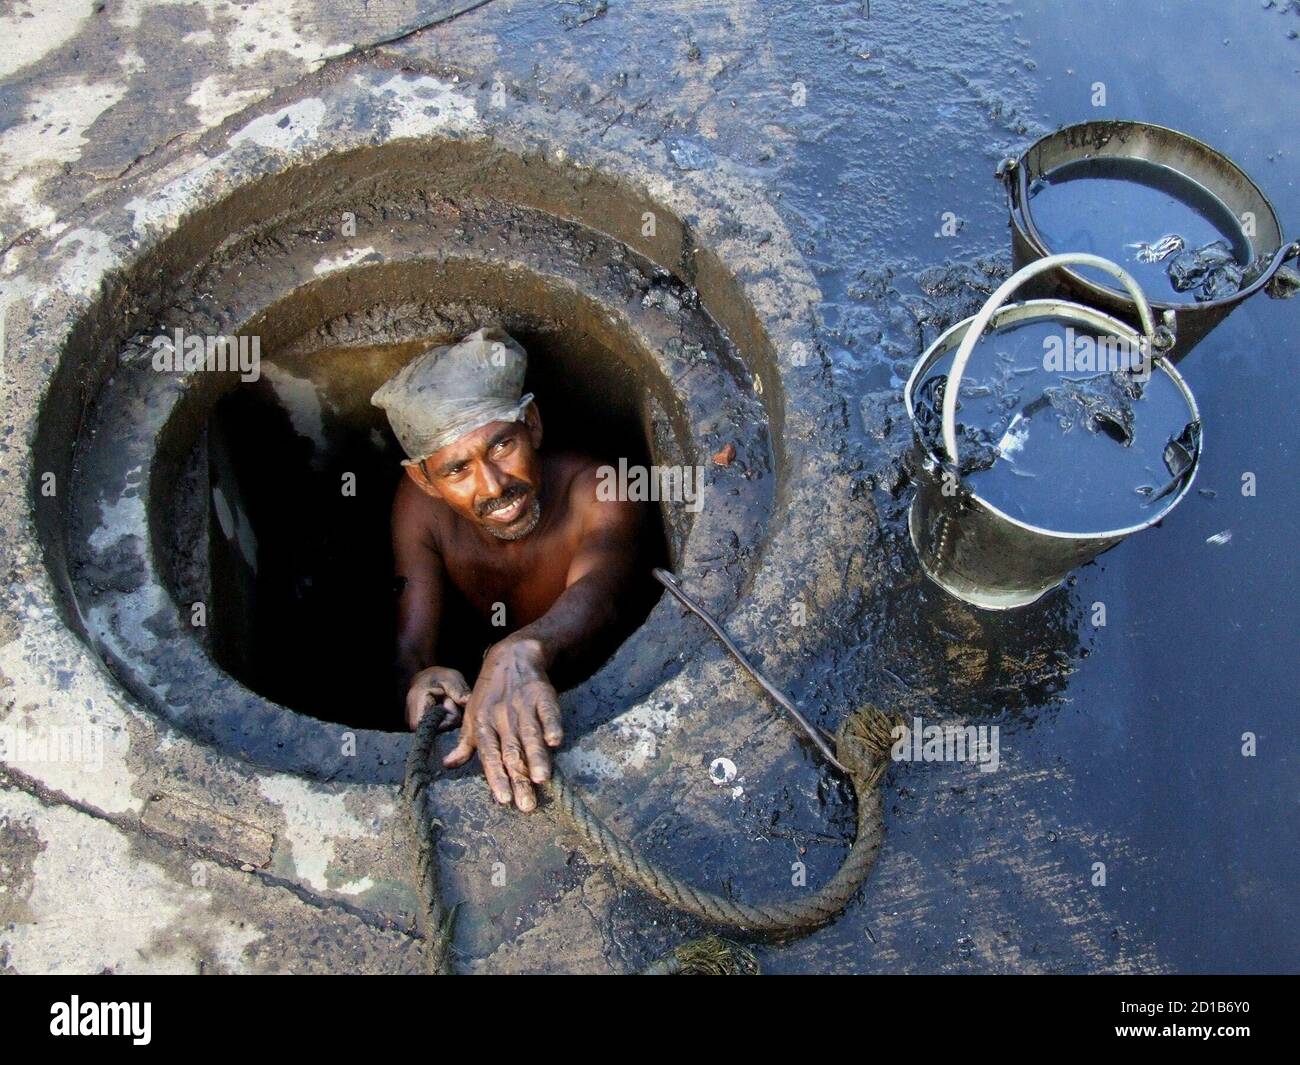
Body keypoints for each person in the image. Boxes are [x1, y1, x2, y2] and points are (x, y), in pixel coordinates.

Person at [373, 327, 646, 812]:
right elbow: (409, 644)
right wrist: (420, 678)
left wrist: (520, 650)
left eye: (501, 447)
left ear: (533, 425)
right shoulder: (419, 507)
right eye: (457, 470)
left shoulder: (602, 488)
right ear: (425, 480)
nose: (494, 485)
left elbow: (601, 595)